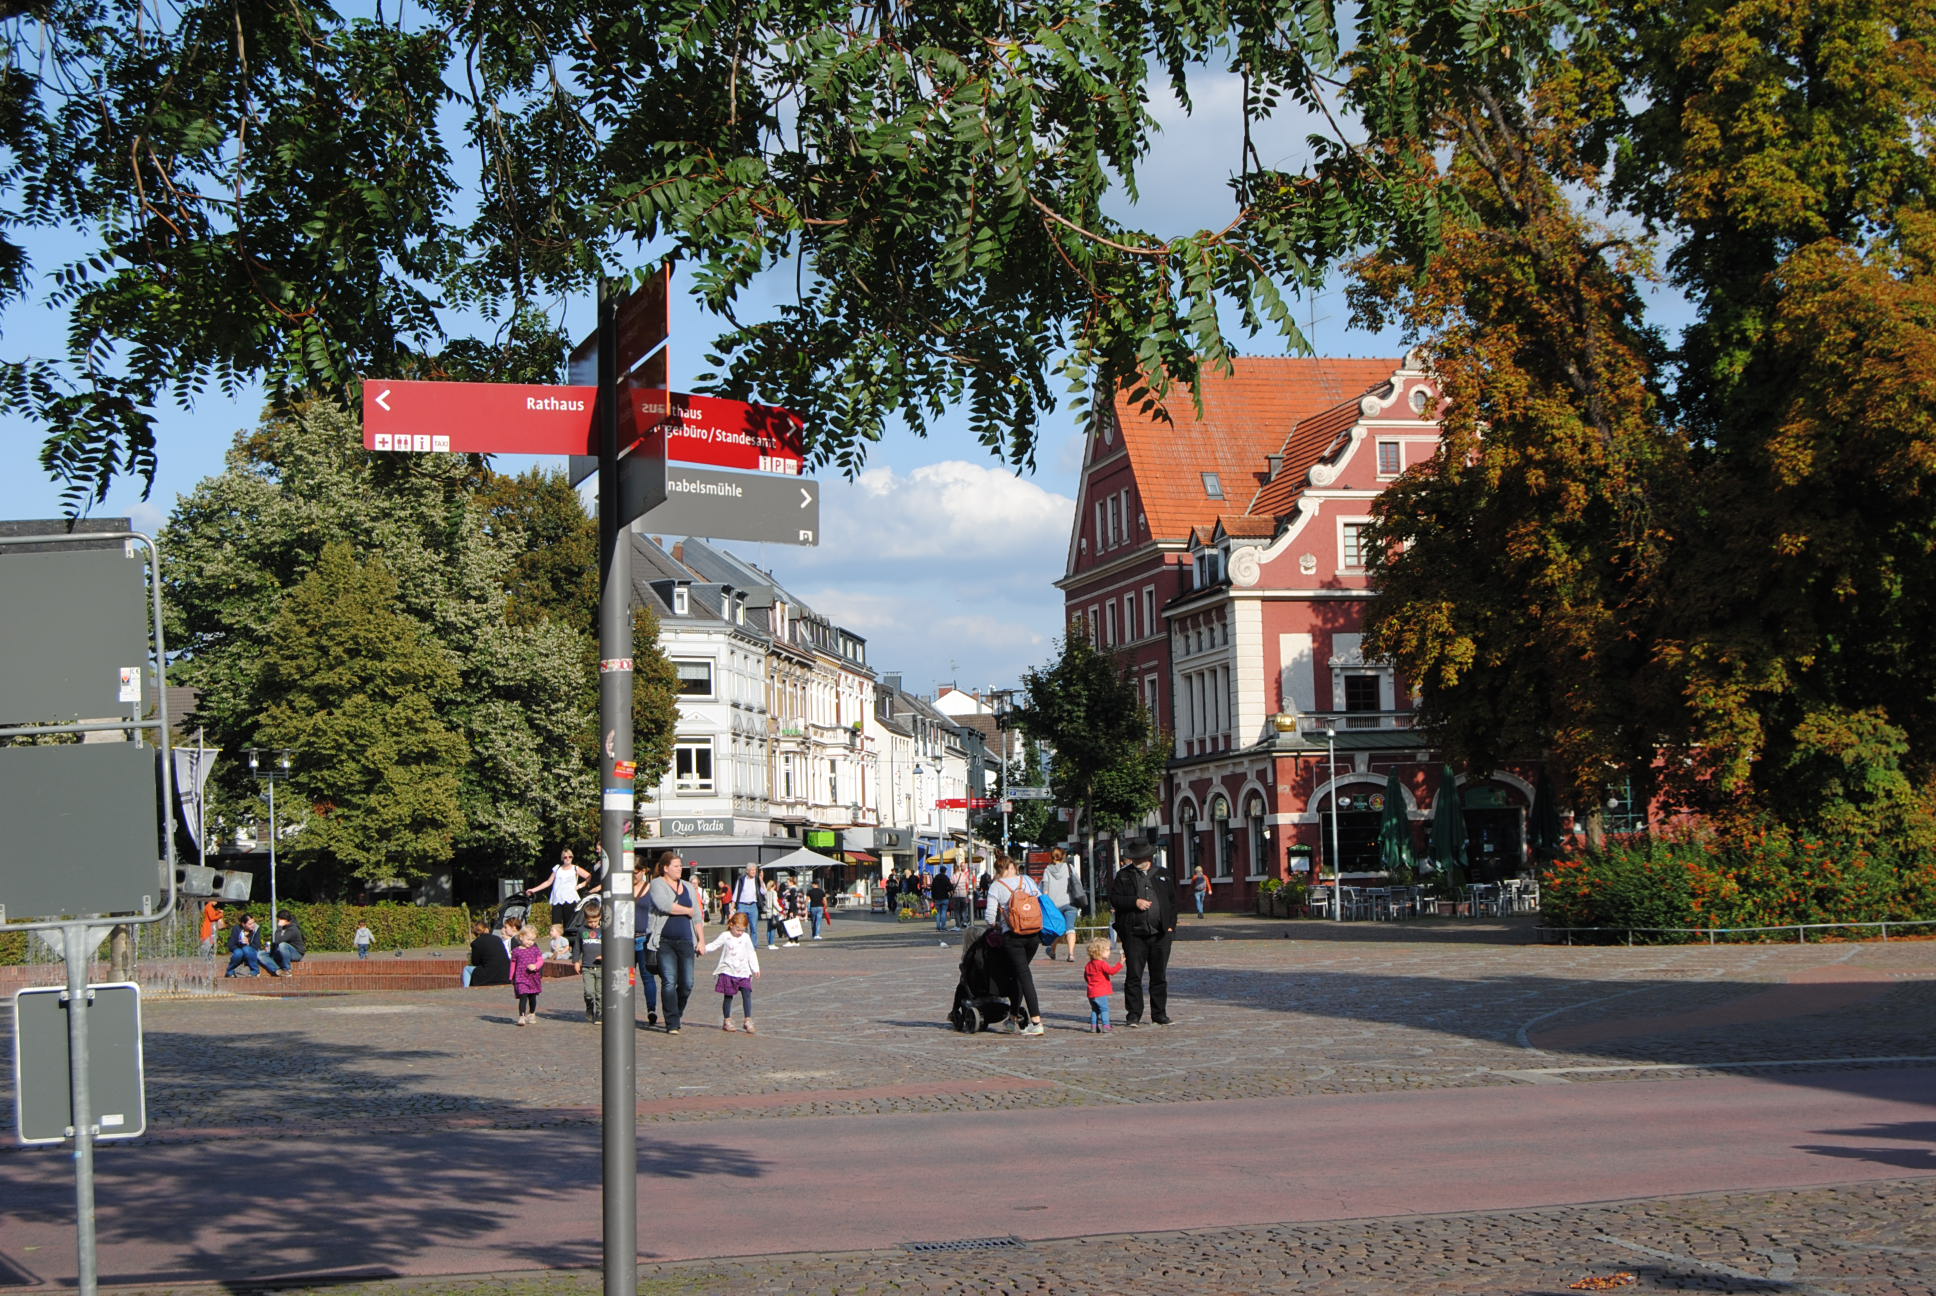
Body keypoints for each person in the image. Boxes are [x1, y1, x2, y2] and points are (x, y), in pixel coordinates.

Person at [1108, 840, 1178, 1027]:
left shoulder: (1162, 874)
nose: (1136, 861)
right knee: (1133, 976)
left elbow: (1172, 902)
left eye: (1139, 858)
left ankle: (1159, 1013)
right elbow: (1115, 899)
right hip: (1134, 933)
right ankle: (1133, 1014)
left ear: (1148, 857)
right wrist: (1134, 902)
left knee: (1159, 976)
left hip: (1160, 933)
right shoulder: (1124, 875)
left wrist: (1171, 926)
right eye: (1133, 858)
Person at [643, 850, 706, 1034]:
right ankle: (672, 1022)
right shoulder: (656, 884)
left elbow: (697, 916)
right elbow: (664, 905)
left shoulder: (688, 886)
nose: (680, 869)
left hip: (686, 940)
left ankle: (676, 1012)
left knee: (687, 983)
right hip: (664, 941)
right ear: (665, 868)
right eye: (676, 866)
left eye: (680, 866)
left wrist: (701, 940)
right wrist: (687, 910)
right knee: (669, 981)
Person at [984, 855, 1046, 1036]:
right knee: (1019, 975)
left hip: (1014, 936)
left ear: (999, 870)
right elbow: (1040, 900)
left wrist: (996, 924)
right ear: (1012, 867)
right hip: (1033, 934)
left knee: (1023, 976)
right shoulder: (1026, 880)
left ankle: (1036, 1021)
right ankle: (1012, 1019)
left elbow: (989, 916)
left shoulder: (996, 886)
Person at [704, 911, 762, 1032]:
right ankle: (727, 1020)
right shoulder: (725, 936)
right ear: (731, 925)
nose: (740, 932)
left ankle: (747, 1019)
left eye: (743, 930)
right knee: (728, 996)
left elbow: (751, 952)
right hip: (728, 971)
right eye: (738, 929)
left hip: (744, 971)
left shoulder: (745, 937)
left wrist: (755, 968)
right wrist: (703, 948)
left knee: (747, 994)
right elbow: (714, 945)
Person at [525, 847, 590, 949]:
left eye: (570, 857)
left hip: (570, 898)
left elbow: (589, 876)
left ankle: (570, 946)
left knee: (569, 923)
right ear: (562, 858)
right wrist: (533, 890)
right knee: (555, 923)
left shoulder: (575, 868)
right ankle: (556, 946)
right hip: (557, 898)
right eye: (565, 857)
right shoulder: (557, 869)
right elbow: (548, 882)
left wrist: (579, 886)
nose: (567, 859)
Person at [1041, 847, 1084, 961]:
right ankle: (1071, 954)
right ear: (1063, 856)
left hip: (1054, 906)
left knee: (1057, 929)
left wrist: (1045, 904)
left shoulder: (1047, 870)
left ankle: (1052, 950)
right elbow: (1077, 882)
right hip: (1070, 902)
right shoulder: (1069, 867)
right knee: (1070, 928)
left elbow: (1045, 889)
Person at [1083, 935, 1124, 1032]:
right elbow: (1112, 971)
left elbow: (1086, 977)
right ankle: (1106, 1026)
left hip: (1091, 992)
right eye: (1107, 950)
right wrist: (1120, 963)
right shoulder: (1102, 964)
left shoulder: (1088, 964)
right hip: (1100, 992)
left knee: (1095, 1010)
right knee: (1104, 1009)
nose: (1109, 952)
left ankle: (1093, 1026)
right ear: (1100, 952)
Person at [575, 901, 605, 1023]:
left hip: (601, 967)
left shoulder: (604, 930)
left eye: (595, 921)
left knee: (600, 993)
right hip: (587, 967)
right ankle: (589, 1006)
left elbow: (610, 946)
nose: (593, 924)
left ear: (600, 918)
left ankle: (599, 1013)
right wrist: (576, 961)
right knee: (589, 992)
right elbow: (577, 947)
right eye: (590, 921)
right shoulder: (582, 930)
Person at [510, 927, 546, 1025]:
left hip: (533, 977)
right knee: (523, 995)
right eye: (529, 939)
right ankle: (522, 1016)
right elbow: (513, 963)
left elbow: (541, 960)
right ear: (521, 937)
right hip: (521, 977)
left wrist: (535, 966)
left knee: (532, 997)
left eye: (533, 940)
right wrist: (511, 976)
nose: (531, 942)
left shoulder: (535, 950)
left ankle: (532, 1013)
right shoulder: (516, 951)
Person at [466, 920, 510, 987]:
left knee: (466, 969)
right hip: (505, 974)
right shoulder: (497, 939)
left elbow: (475, 962)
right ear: (487, 929)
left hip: (489, 976)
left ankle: (465, 989)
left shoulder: (476, 943)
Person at [927, 866, 954, 932]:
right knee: (944, 912)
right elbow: (950, 887)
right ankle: (943, 926)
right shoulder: (946, 878)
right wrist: (948, 890)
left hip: (937, 898)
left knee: (938, 912)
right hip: (944, 897)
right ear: (945, 871)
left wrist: (933, 897)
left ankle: (938, 926)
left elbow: (932, 888)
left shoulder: (936, 878)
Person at [763, 878, 785, 949]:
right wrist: (780, 909)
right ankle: (772, 943)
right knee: (773, 927)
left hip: (768, 911)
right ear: (773, 885)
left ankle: (769, 943)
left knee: (769, 928)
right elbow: (775, 903)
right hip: (773, 912)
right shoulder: (774, 892)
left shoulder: (766, 892)